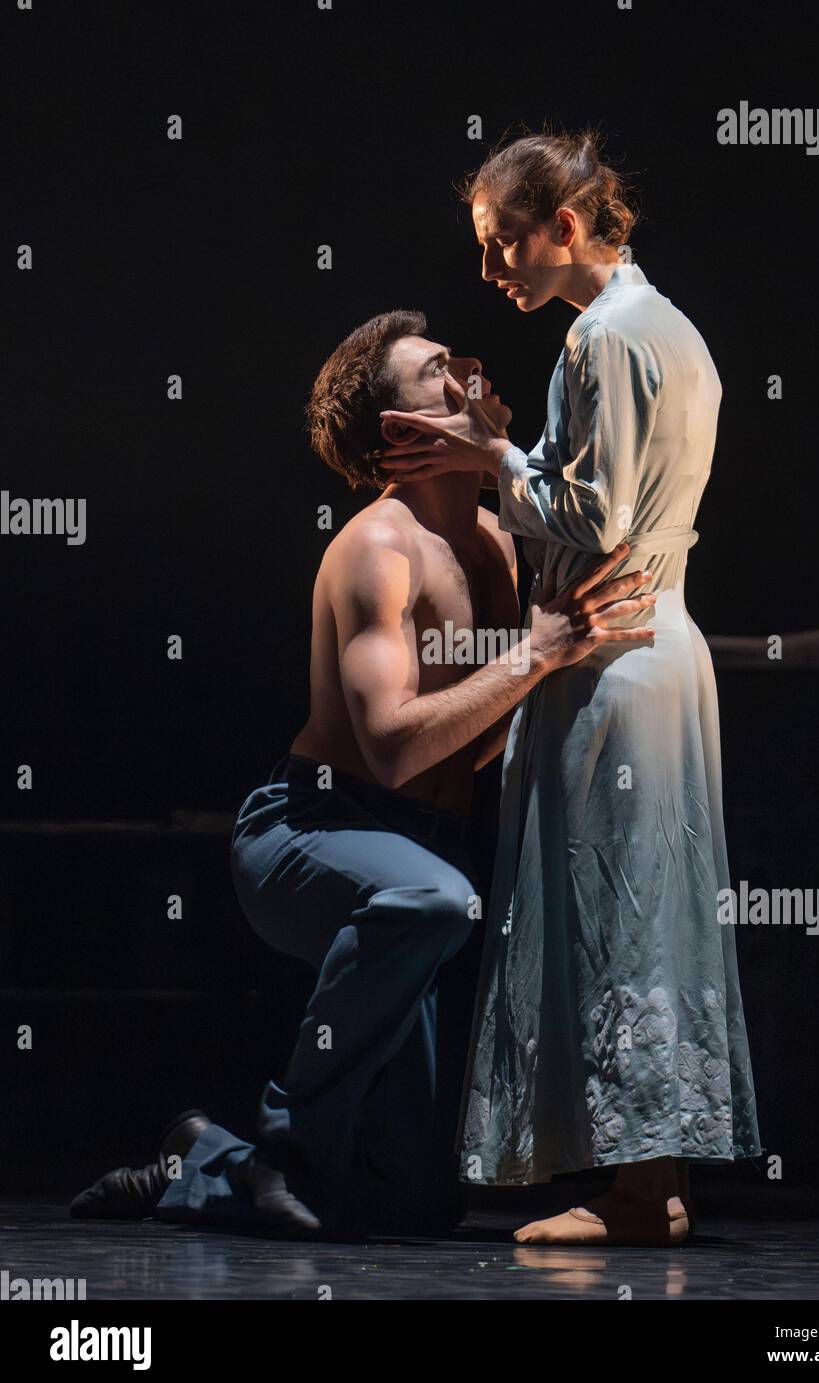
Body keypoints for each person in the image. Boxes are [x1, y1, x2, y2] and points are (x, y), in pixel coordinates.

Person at [69, 309, 657, 1239]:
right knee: (434, 901)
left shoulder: (498, 542)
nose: (472, 369)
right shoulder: (377, 549)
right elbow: (391, 746)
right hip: (312, 829)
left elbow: (480, 730)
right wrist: (537, 657)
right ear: (402, 429)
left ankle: (202, 1161)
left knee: (418, 1205)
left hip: (423, 851)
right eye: (442, 368)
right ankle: (285, 1141)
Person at [379, 131, 764, 1245]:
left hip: (614, 655)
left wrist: (491, 457)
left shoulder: (606, 336)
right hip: (655, 643)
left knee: (614, 915)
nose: (490, 269)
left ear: (565, 225)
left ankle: (638, 1189)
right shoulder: (663, 327)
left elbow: (594, 519)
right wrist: (506, 449)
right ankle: (651, 1179)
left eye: (504, 243)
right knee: (644, 912)